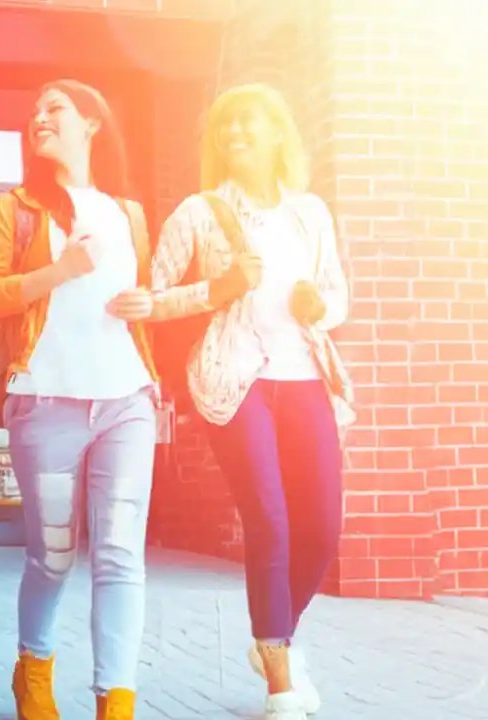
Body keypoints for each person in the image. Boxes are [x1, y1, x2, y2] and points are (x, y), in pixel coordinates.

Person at [116, 82, 349, 720]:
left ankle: (275, 634)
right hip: (234, 381)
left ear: (278, 134)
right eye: (225, 127)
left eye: (248, 123)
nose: (234, 134)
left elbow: (337, 296)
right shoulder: (199, 211)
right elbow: (149, 298)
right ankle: (279, 682)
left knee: (322, 526)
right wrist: (218, 289)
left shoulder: (311, 213)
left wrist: (318, 307)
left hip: (306, 379)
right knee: (269, 519)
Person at [0, 79, 159, 720]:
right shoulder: (14, 209)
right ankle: (35, 675)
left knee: (120, 555)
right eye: (33, 113)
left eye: (54, 109)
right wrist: (58, 271)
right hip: (45, 399)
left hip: (126, 398)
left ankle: (117, 705)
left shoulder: (127, 212)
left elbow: (141, 297)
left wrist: (145, 304)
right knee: (52, 556)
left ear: (92, 123)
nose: (38, 119)